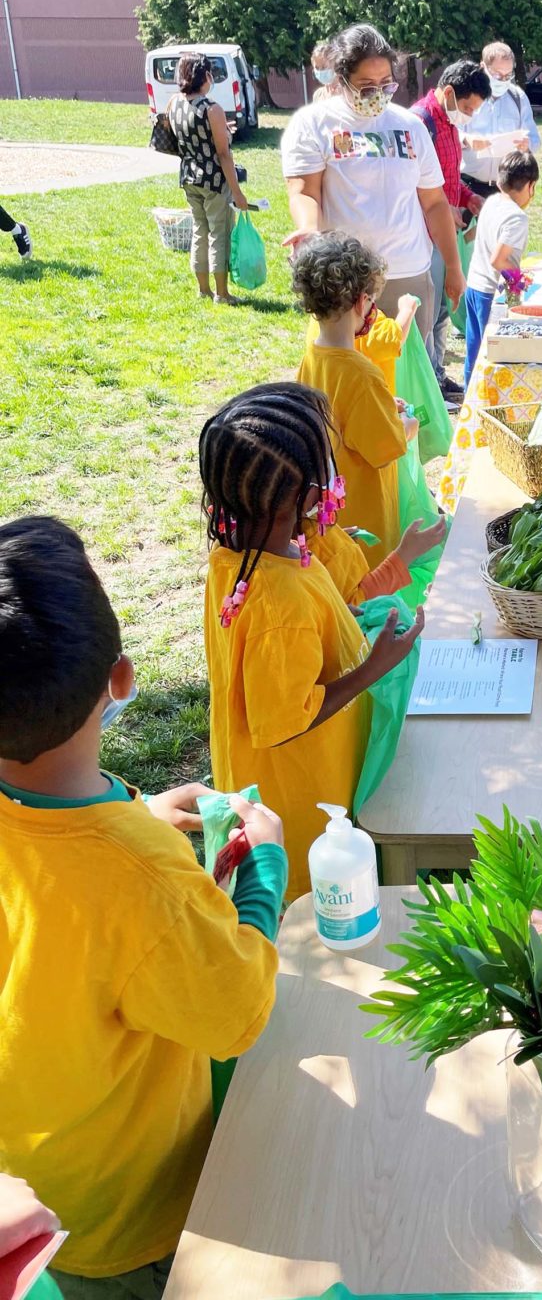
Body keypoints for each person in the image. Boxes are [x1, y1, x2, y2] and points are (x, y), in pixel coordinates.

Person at [0, 515, 285, 1295]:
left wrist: (139, 811)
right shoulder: (145, 880)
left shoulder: (125, 853)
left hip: (34, 1190)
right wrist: (262, 875)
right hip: (139, 1216)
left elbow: (54, 875)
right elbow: (234, 1014)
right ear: (121, 680)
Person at [200, 383, 424, 899]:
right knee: (307, 903)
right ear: (302, 496)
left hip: (284, 778)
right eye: (328, 463)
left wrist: (345, 616)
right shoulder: (281, 601)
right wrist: (375, 668)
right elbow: (283, 721)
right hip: (299, 802)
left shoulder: (241, 557)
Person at [281, 23, 465, 346]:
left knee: (405, 379)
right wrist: (309, 230)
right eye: (366, 86)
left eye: (386, 85)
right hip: (345, 279)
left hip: (408, 273)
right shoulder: (313, 124)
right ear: (341, 81)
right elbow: (304, 191)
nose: (377, 95)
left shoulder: (410, 126)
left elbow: (434, 203)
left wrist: (453, 265)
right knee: (352, 378)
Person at [293, 230, 417, 561]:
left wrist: (381, 405)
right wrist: (408, 424)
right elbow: (387, 449)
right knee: (369, 599)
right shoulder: (363, 374)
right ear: (362, 302)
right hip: (365, 528)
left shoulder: (312, 357)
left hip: (331, 517)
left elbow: (337, 410)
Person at [411, 60, 492, 400]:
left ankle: (438, 375)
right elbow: (417, 187)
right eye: (468, 108)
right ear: (448, 94)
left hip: (445, 230)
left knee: (446, 304)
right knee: (427, 312)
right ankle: (428, 384)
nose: (470, 116)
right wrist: (445, 212)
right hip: (423, 234)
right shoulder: (420, 123)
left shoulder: (449, 125)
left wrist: (468, 198)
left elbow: (448, 178)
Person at [166, 52, 249, 304]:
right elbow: (223, 154)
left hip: (189, 176)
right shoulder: (212, 109)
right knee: (219, 233)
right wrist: (237, 191)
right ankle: (222, 294)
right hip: (214, 180)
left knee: (199, 231)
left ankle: (203, 290)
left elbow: (183, 135)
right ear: (204, 76)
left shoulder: (173, 103)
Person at [463, 150, 539, 386]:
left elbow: (475, 236)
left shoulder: (493, 201)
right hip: (492, 296)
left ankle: (470, 405)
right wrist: (520, 279)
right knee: (494, 358)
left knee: (474, 355)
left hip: (474, 286)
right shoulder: (517, 217)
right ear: (530, 185)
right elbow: (499, 259)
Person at [460, 41, 542, 200]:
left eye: (508, 75)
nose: (503, 80)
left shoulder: (518, 98)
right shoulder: (467, 95)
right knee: (471, 225)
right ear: (483, 67)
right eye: (497, 75)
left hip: (506, 187)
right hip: (468, 184)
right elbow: (450, 132)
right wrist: (467, 140)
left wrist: (527, 145)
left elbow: (535, 139)